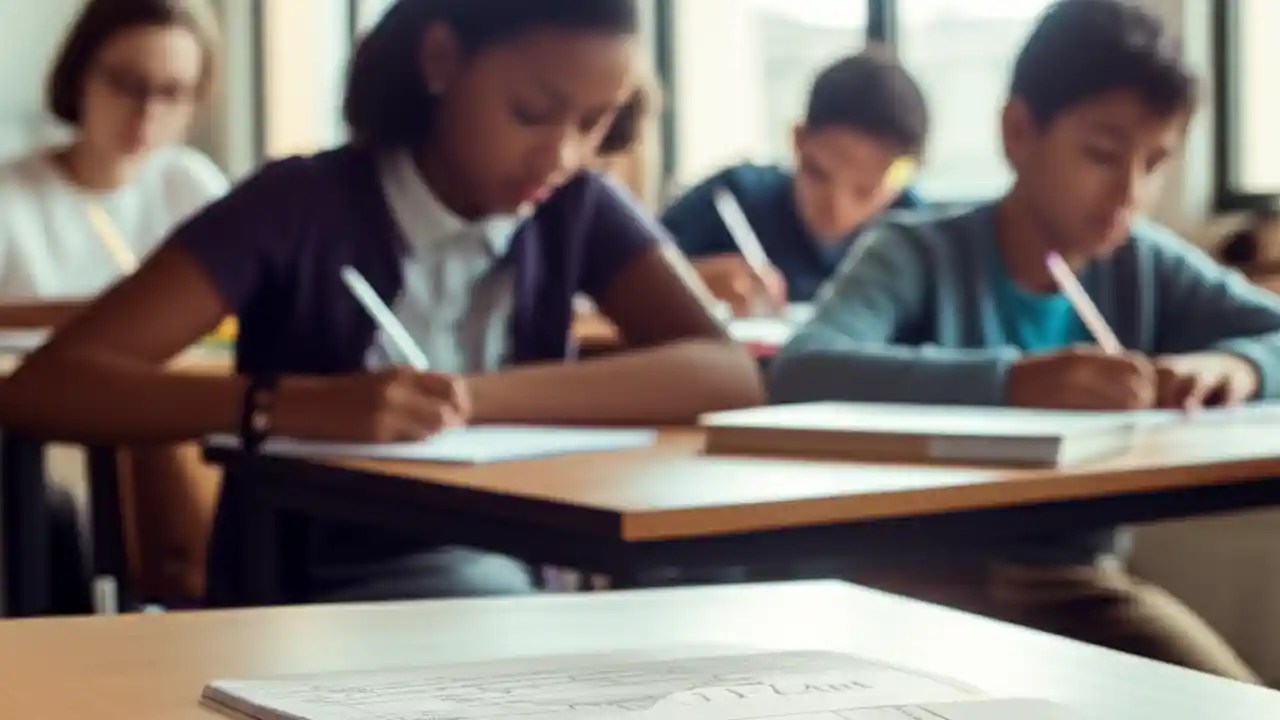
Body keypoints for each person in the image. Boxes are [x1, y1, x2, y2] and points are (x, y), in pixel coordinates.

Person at [0, 0, 763, 606]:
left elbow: (724, 374)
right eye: (532, 112)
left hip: (525, 577)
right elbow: (45, 388)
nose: (561, 155)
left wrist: (467, 399)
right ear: (441, 61)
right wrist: (288, 405)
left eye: (595, 123)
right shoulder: (295, 204)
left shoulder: (578, 205)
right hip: (322, 601)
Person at [770, 0, 1269, 682]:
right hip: (899, 585)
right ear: (1018, 131)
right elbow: (803, 372)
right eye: (1102, 153)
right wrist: (1011, 383)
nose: (1130, 190)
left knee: (1234, 701)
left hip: (1073, 586)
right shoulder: (916, 253)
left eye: (1155, 163)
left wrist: (1234, 363)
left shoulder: (1145, 263)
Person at [0, 0, 227, 319]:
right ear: (80, 74)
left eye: (171, 92)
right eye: (127, 84)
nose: (148, 112)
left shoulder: (192, 185)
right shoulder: (9, 200)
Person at [662, 49, 929, 315]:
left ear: (902, 178)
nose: (837, 208)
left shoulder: (920, 237)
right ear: (798, 140)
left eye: (865, 191)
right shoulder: (731, 198)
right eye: (818, 175)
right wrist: (689, 281)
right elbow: (625, 280)